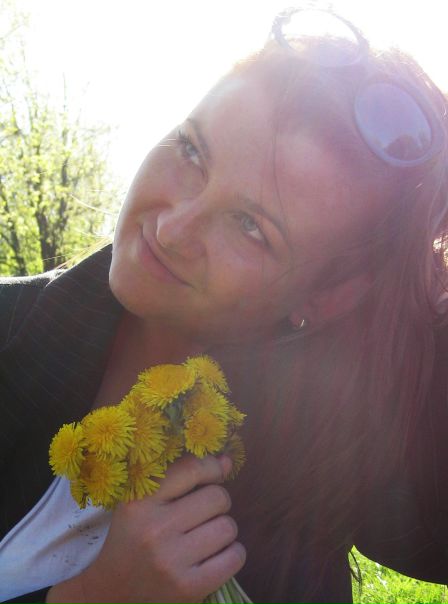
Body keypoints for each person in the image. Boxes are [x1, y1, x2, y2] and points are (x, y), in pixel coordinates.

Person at [1, 6, 448, 603]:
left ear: (328, 297)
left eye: (250, 225)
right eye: (191, 151)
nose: (173, 228)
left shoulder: (327, 470)